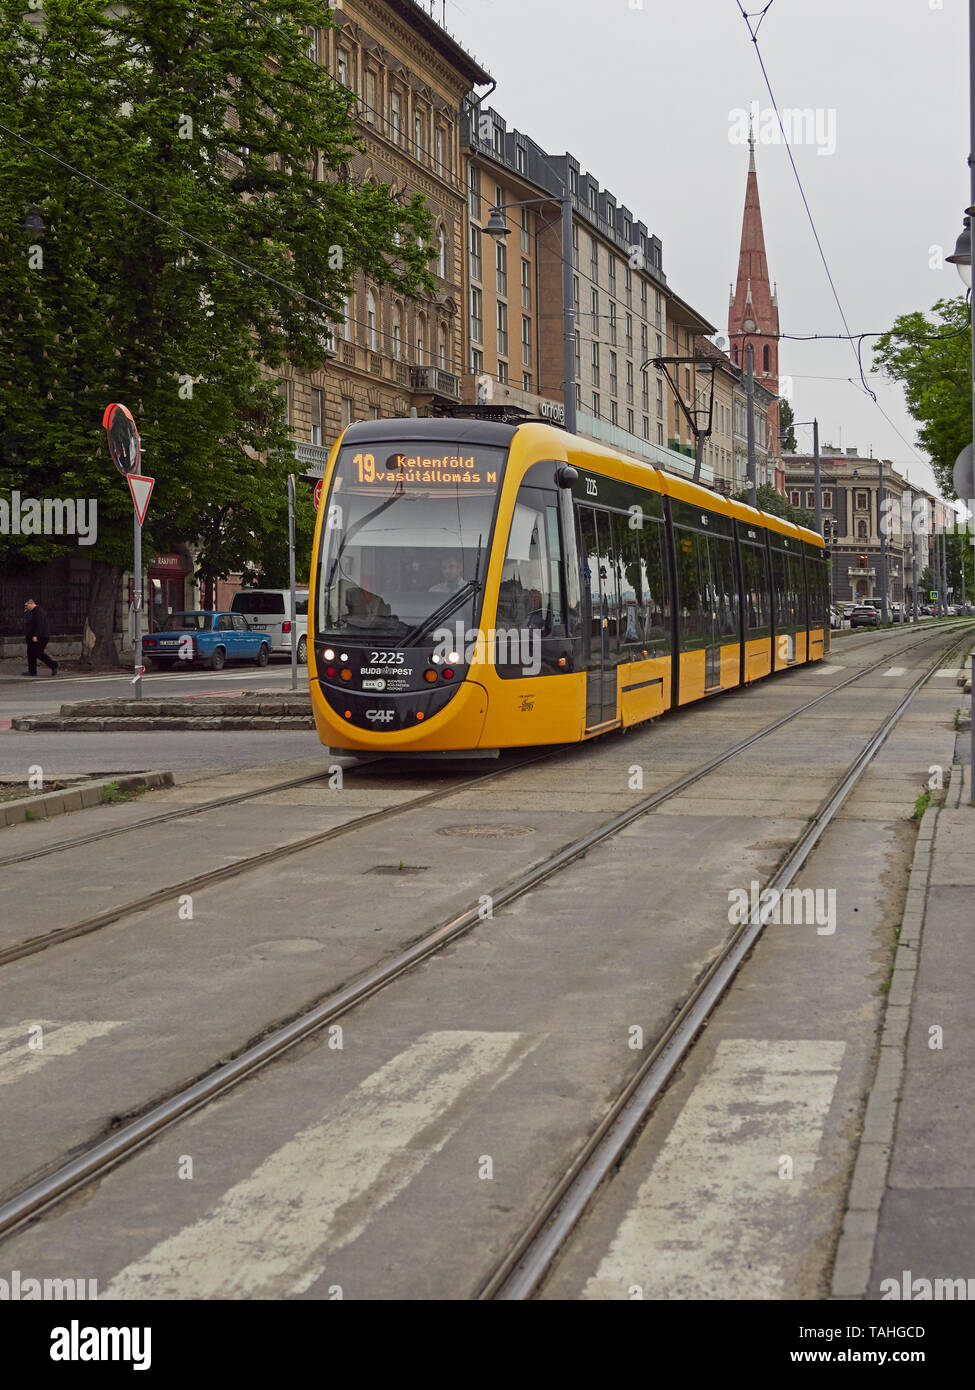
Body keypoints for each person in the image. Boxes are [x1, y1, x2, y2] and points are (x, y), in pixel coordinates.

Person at [23, 599, 58, 676]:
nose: (25, 607)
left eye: (26, 605)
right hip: (32, 636)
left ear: (31, 603)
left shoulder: (38, 611)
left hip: (41, 637)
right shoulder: (32, 612)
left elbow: (40, 624)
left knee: (38, 652)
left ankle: (53, 665)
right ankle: (32, 671)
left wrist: (36, 635)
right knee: (31, 653)